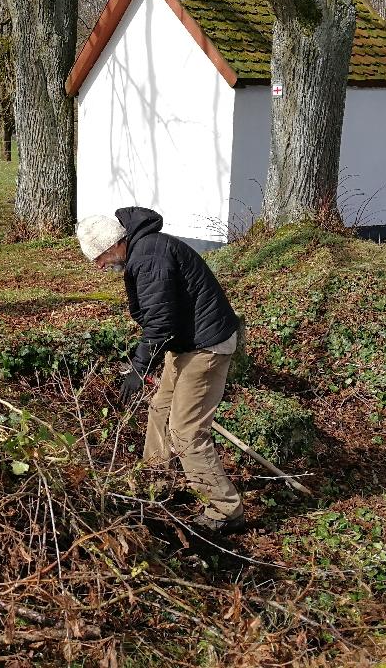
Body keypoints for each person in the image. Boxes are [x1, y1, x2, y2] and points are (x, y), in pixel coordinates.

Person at [76, 207, 245, 534]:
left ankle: (225, 510)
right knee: (159, 409)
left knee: (186, 431)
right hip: (184, 343)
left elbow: (160, 322)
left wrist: (139, 368)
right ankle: (157, 480)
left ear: (113, 245)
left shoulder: (150, 257)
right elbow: (162, 317)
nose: (99, 267)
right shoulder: (144, 250)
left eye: (98, 258)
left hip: (205, 347)